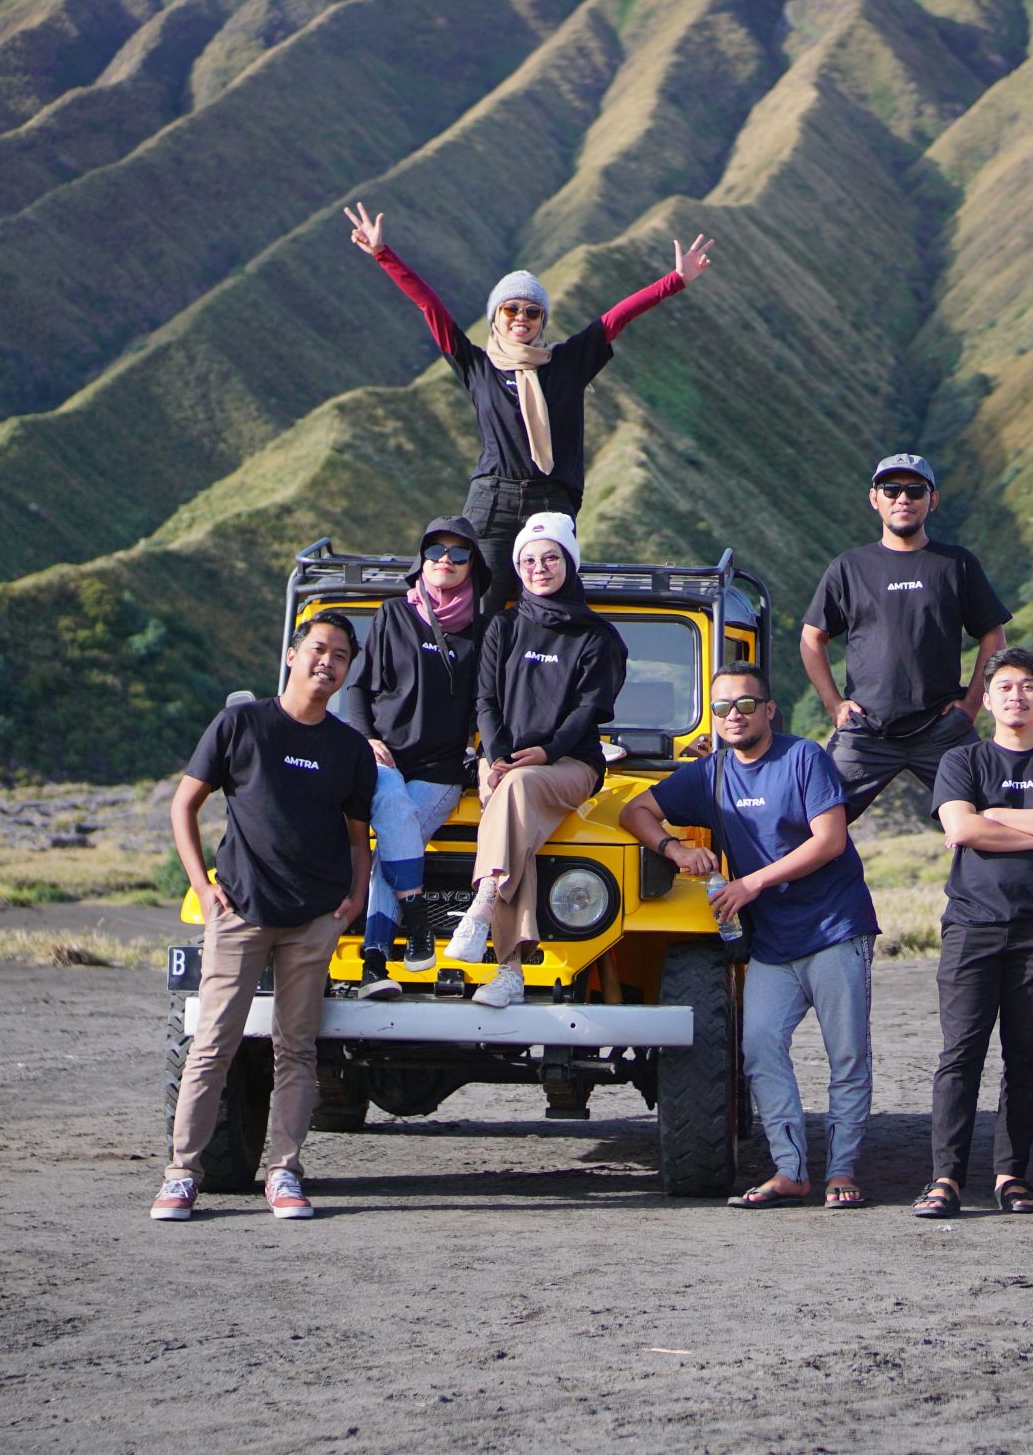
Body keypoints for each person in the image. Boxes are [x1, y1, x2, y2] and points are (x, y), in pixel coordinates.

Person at [345, 202, 715, 613]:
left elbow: (617, 317)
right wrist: (383, 255)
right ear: (495, 318)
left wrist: (677, 279)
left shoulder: (569, 361)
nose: (521, 317)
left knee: (549, 608)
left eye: (532, 311)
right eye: (511, 309)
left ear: (542, 320)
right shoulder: (477, 366)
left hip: (551, 501)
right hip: (492, 501)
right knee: (480, 610)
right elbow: (430, 307)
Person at [619, 663, 881, 1210]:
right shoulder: (711, 773)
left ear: (768, 710)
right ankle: (791, 1171)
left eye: (744, 705)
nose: (732, 716)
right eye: (721, 708)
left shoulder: (804, 757)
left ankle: (841, 1171)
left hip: (835, 928)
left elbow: (830, 841)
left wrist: (752, 883)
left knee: (847, 1056)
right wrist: (675, 849)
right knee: (759, 1047)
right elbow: (634, 810)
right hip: (770, 941)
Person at [153, 616, 375, 1221]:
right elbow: (184, 804)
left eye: (339, 656)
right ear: (292, 654)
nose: (326, 663)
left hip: (313, 922)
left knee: (296, 1049)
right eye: (318, 650)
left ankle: (284, 1173)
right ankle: (180, 1176)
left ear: (348, 670)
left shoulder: (349, 748)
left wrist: (352, 902)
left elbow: (360, 838)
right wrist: (202, 886)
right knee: (211, 1046)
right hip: (241, 911)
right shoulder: (240, 724)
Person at [913, 647, 1033, 1219]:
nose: (1016, 696)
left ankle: (1010, 1175)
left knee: (1025, 1057)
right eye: (1006, 687)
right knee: (960, 1055)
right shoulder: (962, 762)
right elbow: (961, 828)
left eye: (1028, 687)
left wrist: (994, 817)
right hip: (972, 926)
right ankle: (945, 1179)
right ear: (987, 699)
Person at [446, 512, 628, 1007]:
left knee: (518, 792)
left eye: (550, 557)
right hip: (503, 761)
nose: (539, 567)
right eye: (528, 559)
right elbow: (484, 700)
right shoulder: (502, 626)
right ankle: (509, 973)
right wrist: (497, 756)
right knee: (516, 831)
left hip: (572, 765)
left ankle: (483, 903)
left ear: (569, 561)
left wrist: (545, 753)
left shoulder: (597, 637)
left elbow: (589, 709)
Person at [800, 454, 1011, 821]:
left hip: (942, 730)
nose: (903, 498)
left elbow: (993, 634)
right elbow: (811, 638)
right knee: (811, 821)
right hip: (865, 732)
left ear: (932, 499)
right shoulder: (849, 567)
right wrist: (835, 705)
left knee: (995, 815)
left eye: (915, 490)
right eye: (892, 489)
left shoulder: (956, 564)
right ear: (874, 498)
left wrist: (970, 707)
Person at [356, 516, 489, 998]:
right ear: (421, 560)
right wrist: (366, 739)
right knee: (392, 800)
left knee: (394, 831)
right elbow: (359, 688)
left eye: (458, 554)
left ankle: (376, 958)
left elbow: (488, 704)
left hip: (441, 768)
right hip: (383, 756)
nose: (445, 562)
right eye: (435, 551)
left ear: (474, 564)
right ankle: (414, 926)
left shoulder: (484, 629)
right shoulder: (393, 615)